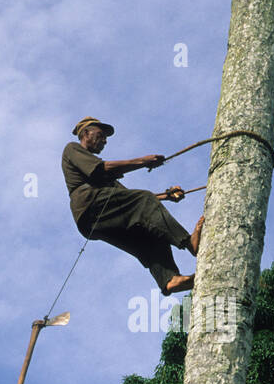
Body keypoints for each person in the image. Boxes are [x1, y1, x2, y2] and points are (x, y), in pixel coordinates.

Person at [61, 116, 204, 295]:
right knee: (143, 201)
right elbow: (103, 169)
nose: (105, 140)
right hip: (91, 206)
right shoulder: (72, 149)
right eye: (101, 134)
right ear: (86, 133)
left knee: (149, 232)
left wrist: (165, 196)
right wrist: (142, 161)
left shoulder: (107, 181)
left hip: (94, 220)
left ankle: (170, 279)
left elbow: (135, 203)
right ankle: (188, 242)